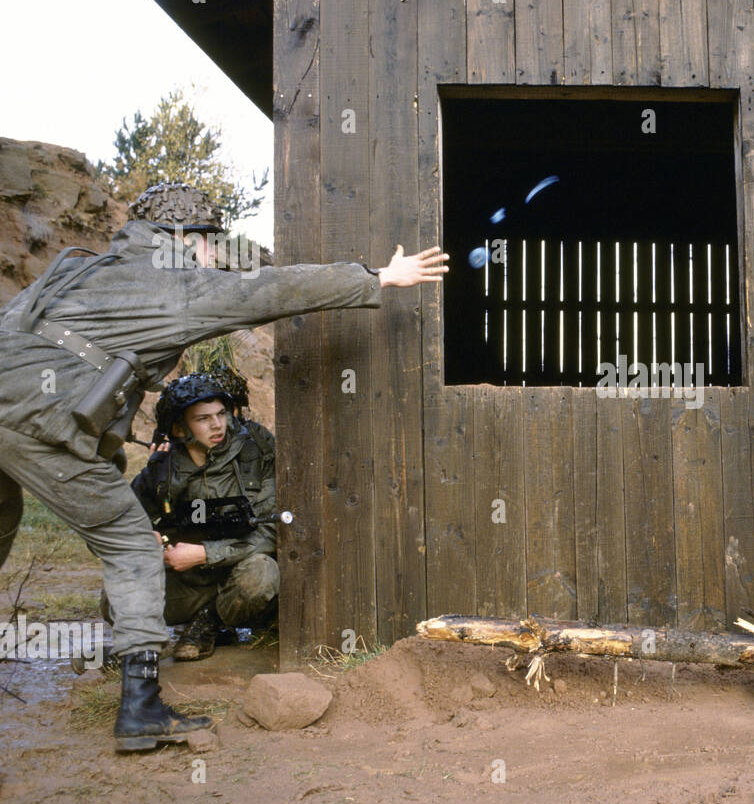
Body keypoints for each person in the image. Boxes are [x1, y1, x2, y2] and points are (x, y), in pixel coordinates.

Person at [0, 181, 448, 750]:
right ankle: (141, 708)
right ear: (188, 239)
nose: (213, 256)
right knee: (131, 546)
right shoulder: (172, 280)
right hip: (41, 423)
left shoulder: (73, 269)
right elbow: (265, 291)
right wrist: (376, 278)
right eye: (212, 244)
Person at [123, 371, 279, 662]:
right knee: (117, 599)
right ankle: (208, 617)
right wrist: (148, 540)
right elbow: (121, 523)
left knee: (262, 575)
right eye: (203, 419)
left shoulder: (255, 452)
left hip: (241, 572)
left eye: (221, 414)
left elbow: (271, 533)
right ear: (180, 429)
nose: (217, 425)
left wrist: (204, 554)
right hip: (189, 581)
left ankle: (211, 620)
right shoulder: (163, 466)